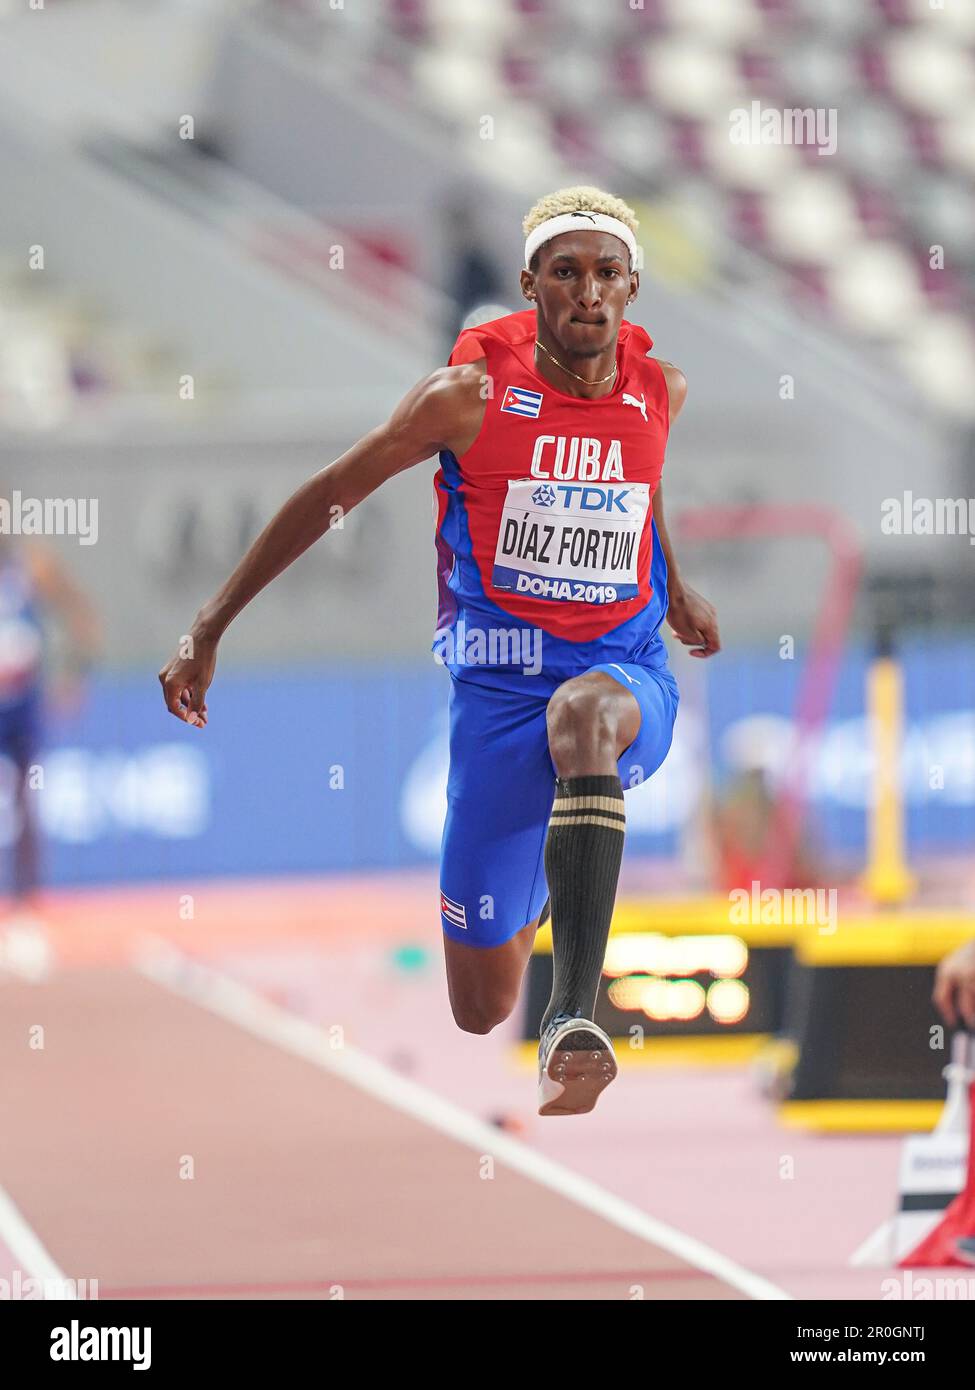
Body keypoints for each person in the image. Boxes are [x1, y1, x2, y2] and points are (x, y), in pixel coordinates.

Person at [158, 186, 720, 1115]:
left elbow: (638, 484)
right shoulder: (467, 398)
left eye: (607, 275)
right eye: (566, 273)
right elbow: (332, 490)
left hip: (622, 678)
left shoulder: (662, 390)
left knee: (583, 718)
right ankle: (555, 870)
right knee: (476, 1003)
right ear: (529, 286)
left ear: (632, 289)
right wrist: (210, 626)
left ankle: (573, 1019)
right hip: (496, 701)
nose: (588, 293)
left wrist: (677, 581)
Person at [0, 531, 101, 980]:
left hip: (21, 705)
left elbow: (80, 613)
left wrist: (75, 676)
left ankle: (26, 911)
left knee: (27, 800)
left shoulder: (31, 564)